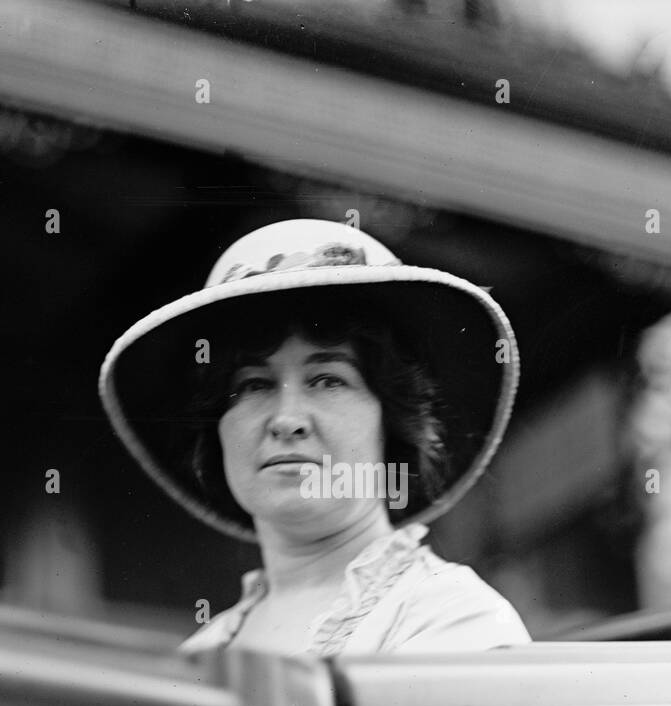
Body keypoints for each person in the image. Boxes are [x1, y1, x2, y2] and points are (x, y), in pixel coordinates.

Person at [99, 218, 530, 655]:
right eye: (254, 385)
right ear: (218, 434)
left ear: (391, 420)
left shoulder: (451, 620)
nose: (287, 420)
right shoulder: (202, 654)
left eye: (327, 380)